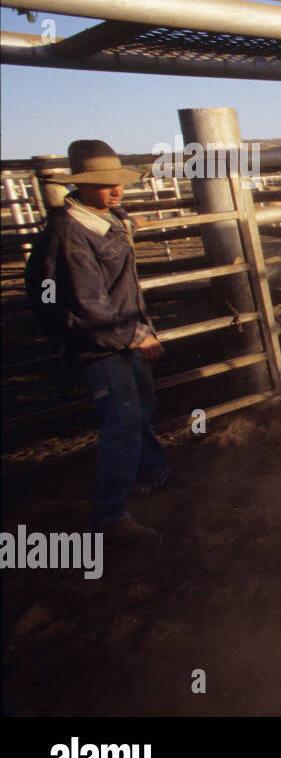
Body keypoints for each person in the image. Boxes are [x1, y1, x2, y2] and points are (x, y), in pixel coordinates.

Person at [25, 140, 171, 543]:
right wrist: (134, 335)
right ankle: (110, 515)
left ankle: (151, 471)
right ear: (81, 186)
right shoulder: (69, 235)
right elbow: (86, 304)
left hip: (121, 330)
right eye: (103, 184)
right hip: (98, 340)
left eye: (117, 182)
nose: (116, 191)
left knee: (140, 405)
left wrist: (135, 330)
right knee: (123, 419)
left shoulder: (102, 218)